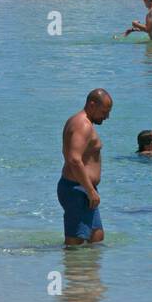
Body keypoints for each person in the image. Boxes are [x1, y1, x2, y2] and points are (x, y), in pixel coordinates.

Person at [58, 89, 111, 245]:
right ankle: (73, 270)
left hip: (82, 189)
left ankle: (90, 270)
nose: (106, 117)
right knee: (75, 244)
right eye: (104, 112)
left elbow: (67, 153)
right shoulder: (83, 125)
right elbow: (74, 159)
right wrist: (90, 190)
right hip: (78, 190)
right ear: (92, 104)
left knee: (96, 238)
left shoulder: (78, 122)